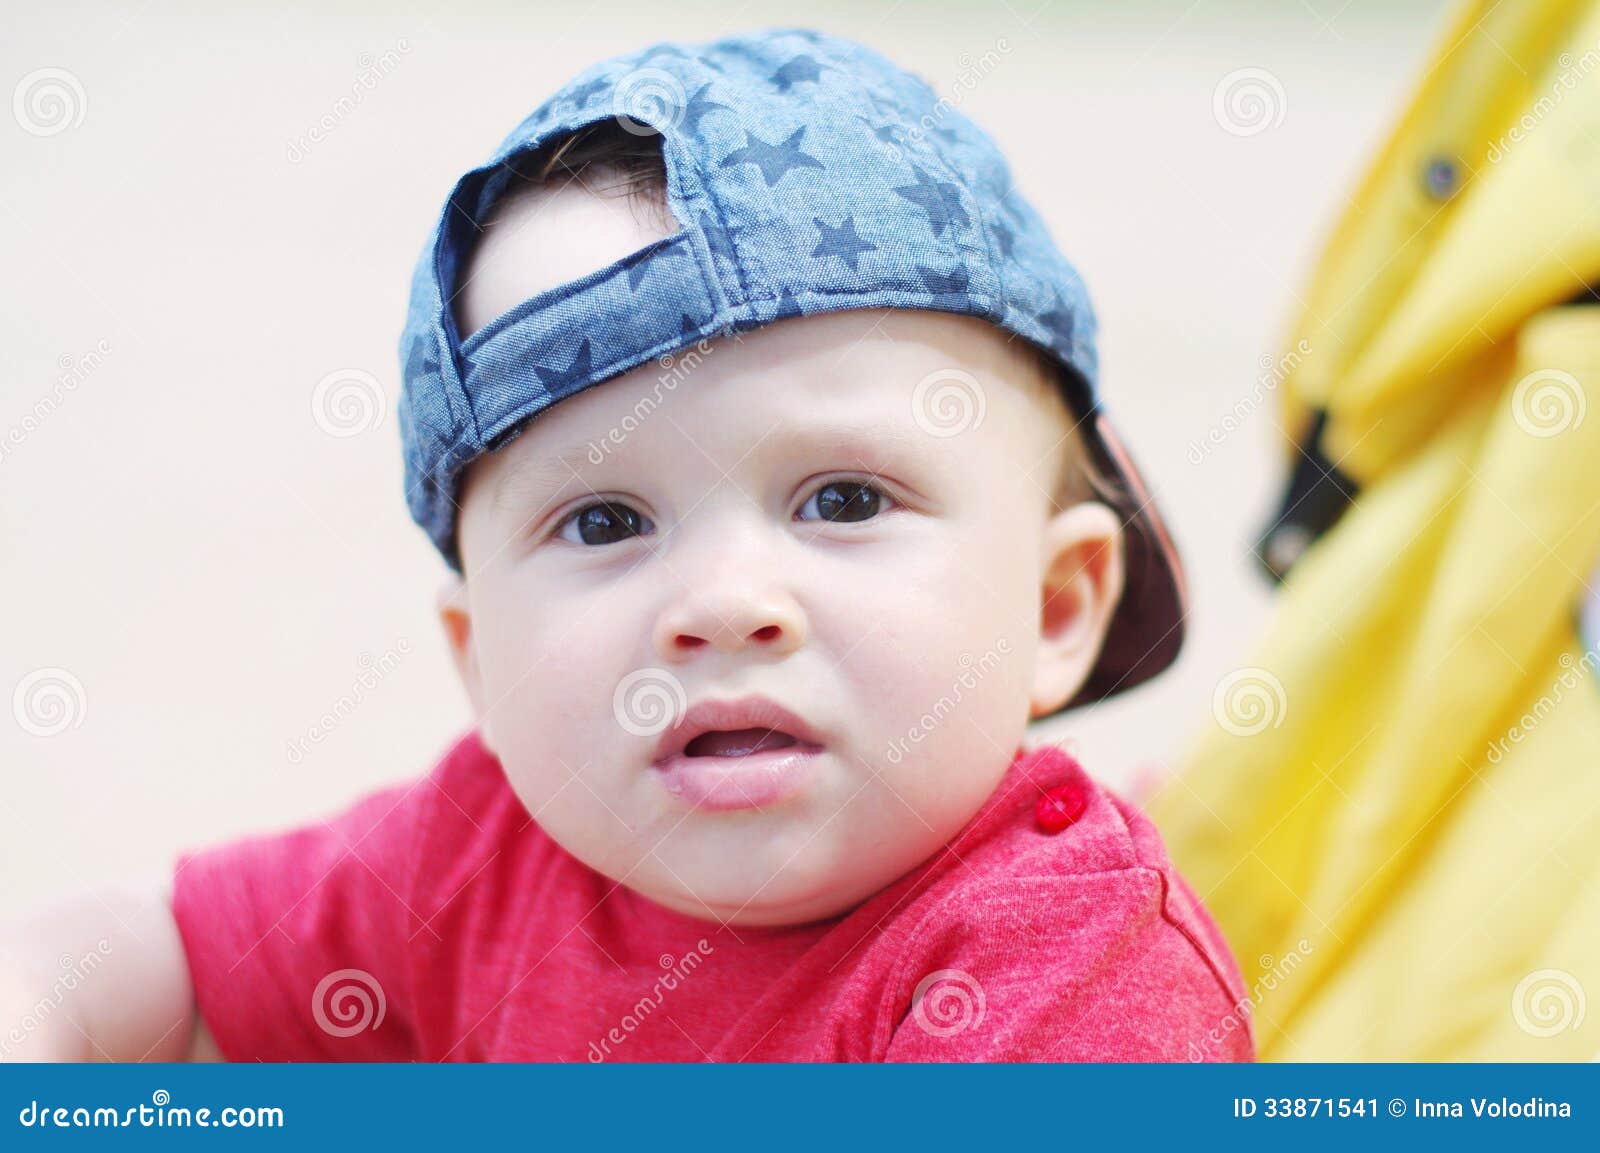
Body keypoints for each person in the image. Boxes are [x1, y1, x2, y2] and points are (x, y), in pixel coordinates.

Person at [1, 28, 1249, 1062]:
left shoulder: (1068, 970)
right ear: (478, 657)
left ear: (1053, 607)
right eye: (604, 522)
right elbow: (139, 949)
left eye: (846, 500)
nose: (724, 602)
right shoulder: (481, 850)